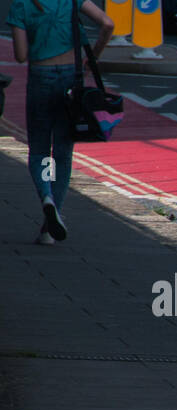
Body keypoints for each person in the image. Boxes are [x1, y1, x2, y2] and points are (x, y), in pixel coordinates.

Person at [6, 0, 114, 245]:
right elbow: (107, 23)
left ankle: (47, 198)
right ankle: (48, 230)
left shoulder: (21, 5)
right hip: (70, 78)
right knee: (63, 154)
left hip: (40, 78)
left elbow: (21, 56)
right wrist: (93, 56)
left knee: (39, 150)